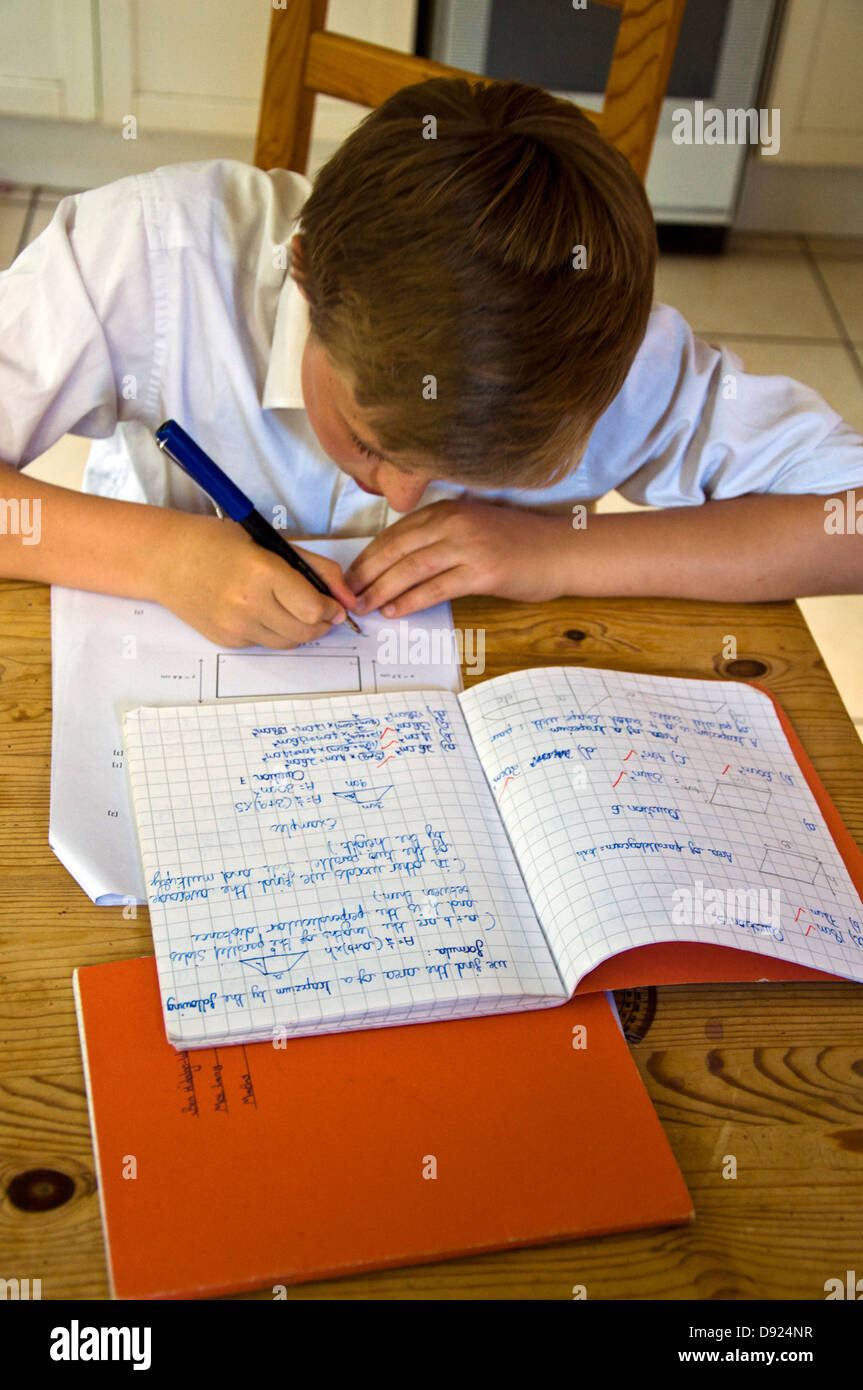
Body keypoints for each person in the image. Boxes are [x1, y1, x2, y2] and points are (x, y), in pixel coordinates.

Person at [1, 78, 860, 650]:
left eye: (461, 475)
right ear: (304, 274)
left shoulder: (596, 350)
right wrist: (160, 557)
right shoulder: (154, 255)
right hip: (146, 658)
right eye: (370, 442)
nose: (404, 499)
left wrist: (559, 551)